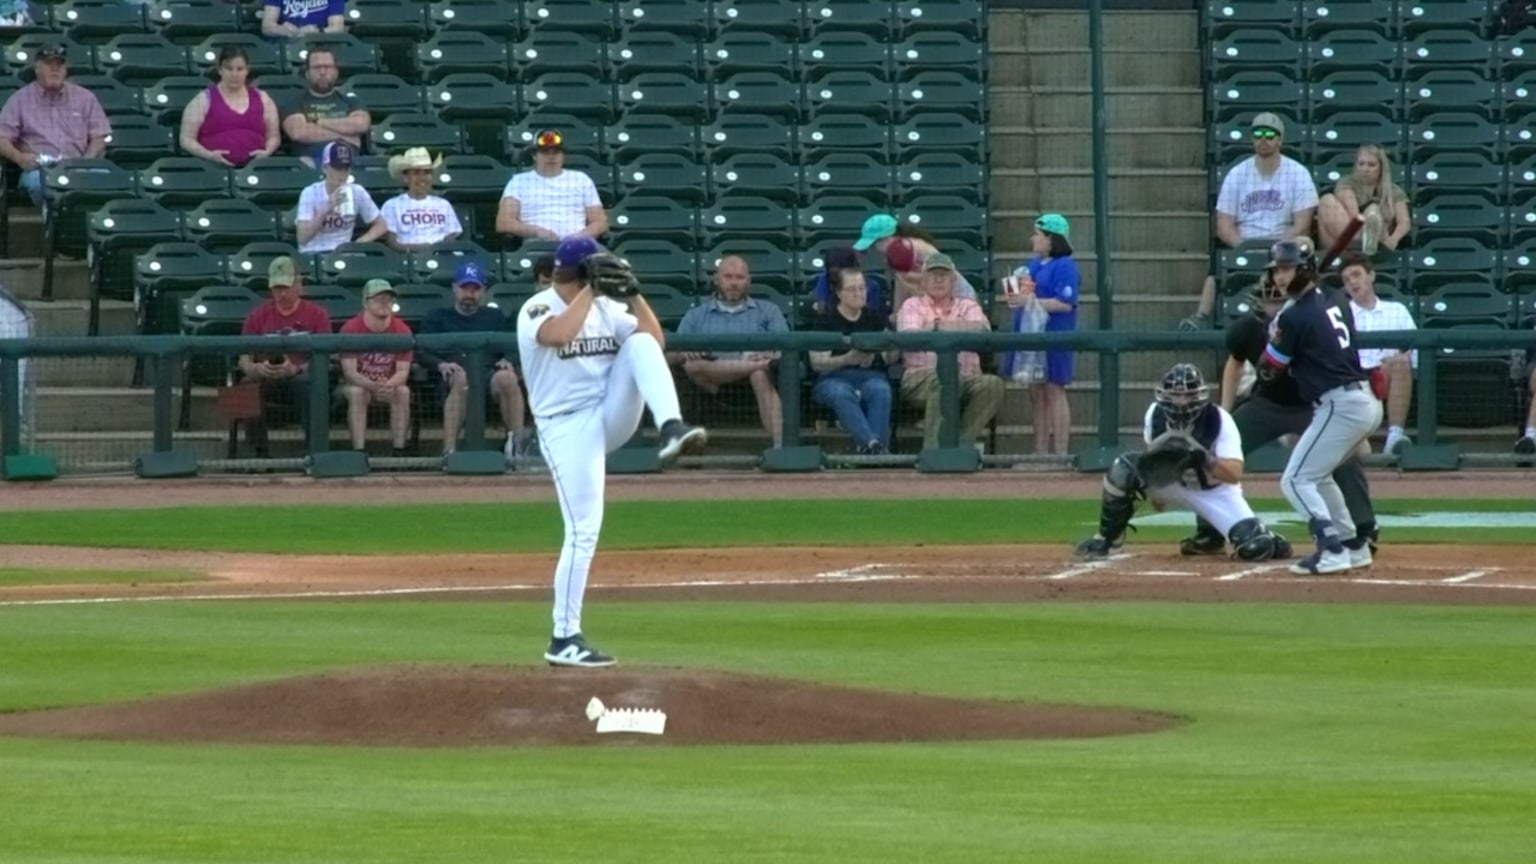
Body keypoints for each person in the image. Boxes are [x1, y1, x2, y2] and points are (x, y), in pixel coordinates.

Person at [516, 237, 708, 667]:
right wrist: (591, 289)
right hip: (565, 427)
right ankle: (563, 637)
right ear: (581, 274)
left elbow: (655, 341)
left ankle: (671, 428)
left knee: (638, 344)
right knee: (583, 530)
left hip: (609, 413)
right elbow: (559, 334)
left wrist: (635, 294)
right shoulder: (537, 307)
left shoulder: (607, 309)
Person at [1178, 242, 1379, 558]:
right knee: (1214, 452)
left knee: (1340, 460)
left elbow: (1272, 367)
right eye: (1274, 278)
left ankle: (1363, 529)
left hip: (1312, 405)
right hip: (1267, 405)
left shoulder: (1303, 314)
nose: (1274, 295)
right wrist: (1227, 413)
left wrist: (1280, 337)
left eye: (1284, 275)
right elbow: (1237, 363)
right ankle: (1210, 530)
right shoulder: (1265, 322)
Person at [1075, 364, 1292, 562]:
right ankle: (1108, 538)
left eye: (1187, 394)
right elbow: (1153, 460)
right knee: (1123, 468)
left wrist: (1206, 460)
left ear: (1199, 395)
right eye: (1175, 394)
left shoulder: (1218, 419)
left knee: (1255, 548)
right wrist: (1156, 494)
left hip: (1214, 491)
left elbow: (1234, 473)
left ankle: (1224, 537)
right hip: (1173, 482)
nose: (1181, 400)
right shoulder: (1155, 415)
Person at [1258, 238, 1382, 575]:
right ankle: (1353, 545)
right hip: (1360, 400)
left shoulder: (1296, 316)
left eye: (1287, 269)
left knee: (1294, 480)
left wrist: (1275, 334)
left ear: (1305, 269)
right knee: (1317, 475)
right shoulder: (1334, 297)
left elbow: (1268, 371)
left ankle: (1330, 549)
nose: (1280, 277)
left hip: (1340, 404)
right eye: (1278, 270)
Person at [1182, 112, 1318, 331]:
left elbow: (1302, 224)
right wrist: (1244, 248)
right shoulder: (1237, 174)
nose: (1263, 139)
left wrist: (1278, 250)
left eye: (1269, 135)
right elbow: (1224, 226)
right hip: (1244, 243)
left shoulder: (1298, 173)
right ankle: (1201, 317)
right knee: (1217, 268)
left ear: (1280, 140)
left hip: (1285, 245)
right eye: (1258, 134)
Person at [417, 261, 532, 462]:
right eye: (464, 288)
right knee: (460, 378)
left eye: (475, 289)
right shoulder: (438, 316)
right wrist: (439, 364)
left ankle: (517, 447)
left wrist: (508, 360)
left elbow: (514, 346)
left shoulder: (495, 316)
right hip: (450, 377)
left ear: (484, 291)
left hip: (487, 376)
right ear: (454, 289)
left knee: (507, 377)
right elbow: (420, 350)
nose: (469, 294)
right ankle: (449, 451)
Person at [673, 256, 789, 449]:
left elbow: (784, 348)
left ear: (748, 281)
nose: (734, 283)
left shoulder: (769, 311)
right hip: (711, 383)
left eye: (739, 277)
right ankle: (752, 366)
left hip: (755, 383)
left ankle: (781, 448)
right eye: (728, 277)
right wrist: (687, 351)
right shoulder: (696, 316)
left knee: (759, 373)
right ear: (717, 279)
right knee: (692, 366)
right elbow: (671, 353)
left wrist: (768, 354)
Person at [894, 253, 1004, 451]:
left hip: (969, 377)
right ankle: (933, 451)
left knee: (993, 384)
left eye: (943, 275)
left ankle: (961, 445)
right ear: (924, 280)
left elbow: (981, 330)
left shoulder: (968, 305)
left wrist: (935, 326)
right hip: (922, 377)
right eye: (933, 275)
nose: (938, 279)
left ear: (953, 280)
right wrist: (960, 327)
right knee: (945, 381)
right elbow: (909, 338)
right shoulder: (912, 305)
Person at [237, 257, 333, 457]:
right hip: (267, 377)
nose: (281, 293)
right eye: (277, 287)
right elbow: (243, 358)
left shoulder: (318, 315)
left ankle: (315, 451)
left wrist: (296, 368)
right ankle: (259, 454)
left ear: (298, 285)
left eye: (286, 287)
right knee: (246, 386)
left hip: (300, 377)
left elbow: (324, 358)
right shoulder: (257, 316)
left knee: (312, 385)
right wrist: (256, 368)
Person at [1001, 213, 1079, 456]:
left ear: (1051, 239)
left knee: (1055, 389)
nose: (1033, 238)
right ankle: (1040, 453)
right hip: (1031, 335)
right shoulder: (1033, 264)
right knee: (1036, 392)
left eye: (1038, 234)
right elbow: (1024, 294)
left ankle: (1061, 453)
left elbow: (1065, 303)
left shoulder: (1065, 266)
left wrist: (1030, 301)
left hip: (1055, 335)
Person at [0, 43, 110, 209]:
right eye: (48, 64)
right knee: (37, 184)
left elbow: (99, 137)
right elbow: (2, 137)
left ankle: (85, 223)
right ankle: (55, 225)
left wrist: (86, 161)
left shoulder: (85, 98)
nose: (55, 69)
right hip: (40, 169)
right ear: (37, 69)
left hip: (78, 166)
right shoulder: (20, 100)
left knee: (106, 179)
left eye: (59, 64)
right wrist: (19, 157)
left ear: (65, 69)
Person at [809, 267, 898, 455]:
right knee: (841, 392)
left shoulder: (875, 317)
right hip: (832, 378)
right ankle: (874, 446)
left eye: (862, 288)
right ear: (839, 293)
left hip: (871, 375)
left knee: (880, 389)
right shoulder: (825, 320)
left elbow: (891, 355)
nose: (858, 294)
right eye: (852, 289)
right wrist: (847, 359)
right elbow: (817, 362)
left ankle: (871, 448)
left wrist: (880, 354)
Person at [1340, 254, 1416, 455]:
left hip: (1384, 376)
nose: (1352, 282)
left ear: (1371, 276)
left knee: (1401, 362)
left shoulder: (1397, 310)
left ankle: (1394, 438)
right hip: (1352, 380)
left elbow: (1415, 354)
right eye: (1346, 280)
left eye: (1356, 275)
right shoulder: (1341, 314)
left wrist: (1392, 360)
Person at [338, 279, 413, 455]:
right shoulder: (351, 328)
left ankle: (398, 451)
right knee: (358, 393)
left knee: (403, 392)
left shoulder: (402, 329)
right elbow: (350, 373)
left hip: (389, 383)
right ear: (365, 302)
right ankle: (359, 451)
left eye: (388, 299)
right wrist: (373, 385)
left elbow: (403, 371)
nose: (385, 303)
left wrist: (388, 385)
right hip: (356, 384)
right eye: (379, 299)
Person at [495, 129, 608, 242]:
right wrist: (537, 231)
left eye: (556, 152)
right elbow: (504, 222)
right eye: (545, 152)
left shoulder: (581, 179)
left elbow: (600, 222)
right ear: (534, 156)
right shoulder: (519, 182)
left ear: (563, 155)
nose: (551, 157)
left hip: (578, 245)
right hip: (537, 245)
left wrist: (580, 236)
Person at [179, 45, 281, 168]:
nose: (234, 74)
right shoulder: (202, 100)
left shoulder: (263, 99)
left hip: (256, 170)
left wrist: (267, 152)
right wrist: (209, 155)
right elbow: (186, 139)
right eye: (229, 68)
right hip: (214, 169)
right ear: (220, 70)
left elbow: (274, 136)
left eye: (240, 69)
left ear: (247, 70)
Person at [852, 215, 978, 312]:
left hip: (959, 296)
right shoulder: (896, 254)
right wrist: (898, 312)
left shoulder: (914, 247)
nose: (876, 249)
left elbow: (945, 276)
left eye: (876, 243)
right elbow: (902, 286)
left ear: (888, 237)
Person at [280, 48, 371, 166]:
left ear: (336, 72)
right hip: (309, 165)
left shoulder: (351, 101)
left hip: (349, 162)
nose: (322, 72)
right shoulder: (294, 102)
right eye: (317, 68)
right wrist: (345, 135)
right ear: (307, 73)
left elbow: (360, 124)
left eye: (327, 67)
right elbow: (299, 132)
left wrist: (318, 122)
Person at [1317, 145, 1411, 256]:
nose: (1365, 169)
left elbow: (1404, 222)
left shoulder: (1394, 190)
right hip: (1349, 235)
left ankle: (1368, 243)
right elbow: (1354, 215)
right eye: (1361, 164)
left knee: (1373, 211)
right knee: (1327, 201)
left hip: (1381, 241)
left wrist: (1393, 239)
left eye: (1371, 165)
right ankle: (1361, 246)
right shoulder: (1346, 182)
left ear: (1381, 167)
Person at [294, 141, 386, 253]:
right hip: (313, 252)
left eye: (345, 169)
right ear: (325, 168)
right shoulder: (310, 193)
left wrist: (358, 244)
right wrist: (327, 208)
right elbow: (302, 238)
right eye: (337, 169)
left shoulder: (357, 191)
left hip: (343, 252)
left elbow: (382, 225)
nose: (342, 174)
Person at [380, 147, 462, 251]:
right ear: (405, 177)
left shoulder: (444, 204)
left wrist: (438, 250)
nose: (422, 178)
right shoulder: (391, 205)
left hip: (441, 255)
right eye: (416, 173)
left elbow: (451, 237)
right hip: (406, 258)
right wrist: (420, 249)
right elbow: (391, 242)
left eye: (427, 172)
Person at [263, 0, 346, 38]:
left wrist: (318, 31)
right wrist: (281, 30)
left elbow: (337, 27)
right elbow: (267, 26)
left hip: (320, 43)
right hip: (286, 43)